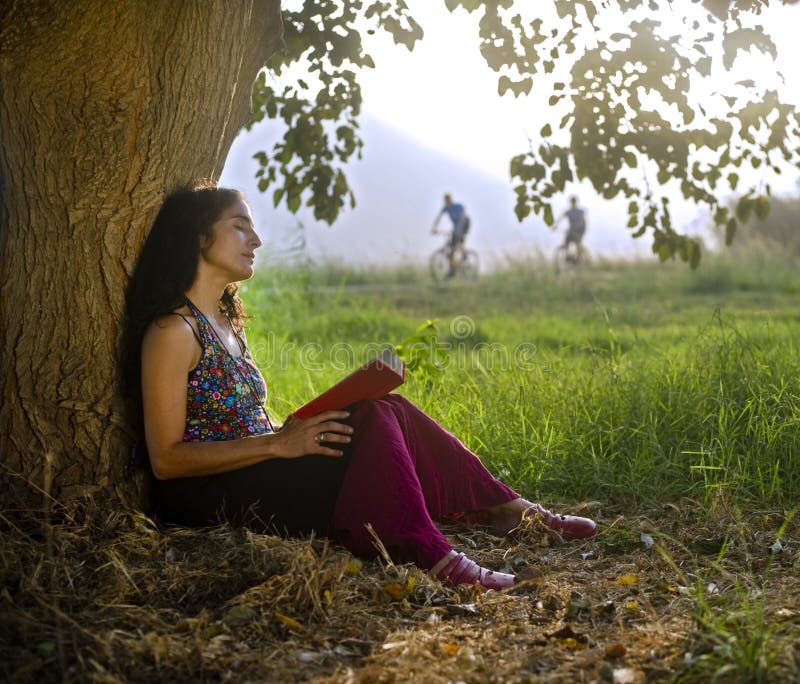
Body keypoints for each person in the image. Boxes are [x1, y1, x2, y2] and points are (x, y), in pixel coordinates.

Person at [122, 180, 597, 592]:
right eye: (240, 226)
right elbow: (166, 460)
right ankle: (432, 553)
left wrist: (291, 432)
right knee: (373, 416)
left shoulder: (225, 322)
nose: (257, 239)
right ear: (199, 235)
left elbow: (243, 423)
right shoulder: (172, 333)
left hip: (258, 465)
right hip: (208, 494)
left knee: (386, 405)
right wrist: (279, 444)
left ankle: (507, 507)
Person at [431, 193, 471, 279]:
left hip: (464, 224)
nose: (447, 203)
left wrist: (459, 229)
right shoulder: (446, 208)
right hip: (456, 227)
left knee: (459, 240)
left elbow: (462, 218)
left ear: (450, 200)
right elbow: (438, 217)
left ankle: (465, 255)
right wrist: (434, 228)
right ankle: (451, 271)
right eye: (445, 202)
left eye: (448, 201)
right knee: (451, 250)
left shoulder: (458, 206)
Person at [556, 196, 587, 262]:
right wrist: (555, 225)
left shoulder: (580, 211)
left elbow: (582, 221)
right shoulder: (569, 211)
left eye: (574, 202)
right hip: (571, 230)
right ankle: (567, 256)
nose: (573, 203)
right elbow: (561, 218)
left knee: (577, 242)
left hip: (579, 231)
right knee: (567, 241)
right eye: (572, 202)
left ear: (576, 202)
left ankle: (578, 258)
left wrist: (578, 227)